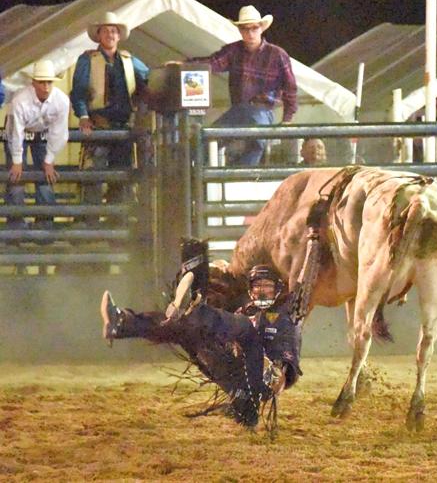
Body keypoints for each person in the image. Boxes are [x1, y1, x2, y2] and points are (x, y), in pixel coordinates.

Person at [100, 263, 302, 426]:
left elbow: (285, 357)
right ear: (250, 289)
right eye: (258, 285)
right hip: (235, 378)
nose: (262, 290)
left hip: (258, 380)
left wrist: (277, 374)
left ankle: (195, 310)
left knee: (241, 327)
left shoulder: (281, 319)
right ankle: (123, 325)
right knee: (184, 329)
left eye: (267, 285)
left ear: (277, 290)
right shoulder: (247, 310)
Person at [190, 5, 297, 166]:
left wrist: (287, 118)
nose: (250, 33)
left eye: (254, 28)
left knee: (251, 141)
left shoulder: (278, 55)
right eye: (245, 29)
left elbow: (290, 88)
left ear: (261, 28)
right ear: (240, 31)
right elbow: (211, 63)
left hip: (260, 111)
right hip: (241, 110)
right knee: (206, 142)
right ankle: (207, 173)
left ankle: (236, 175)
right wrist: (183, 65)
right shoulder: (234, 51)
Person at [70, 12, 149, 221]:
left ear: (119, 36)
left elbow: (149, 80)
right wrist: (84, 116)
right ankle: (90, 225)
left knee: (121, 179)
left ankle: (116, 226)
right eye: (106, 31)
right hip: (99, 126)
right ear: (99, 34)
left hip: (124, 127)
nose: (110, 34)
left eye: (114, 31)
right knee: (93, 177)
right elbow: (78, 92)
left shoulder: (130, 61)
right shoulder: (87, 60)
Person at [3, 60, 70, 234]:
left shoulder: (61, 101)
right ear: (33, 83)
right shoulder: (20, 101)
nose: (46, 86)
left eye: (49, 82)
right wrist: (17, 160)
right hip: (21, 133)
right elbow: (15, 133)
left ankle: (44, 224)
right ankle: (16, 226)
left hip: (43, 133)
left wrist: (50, 159)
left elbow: (59, 132)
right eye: (42, 82)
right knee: (17, 178)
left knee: (45, 178)